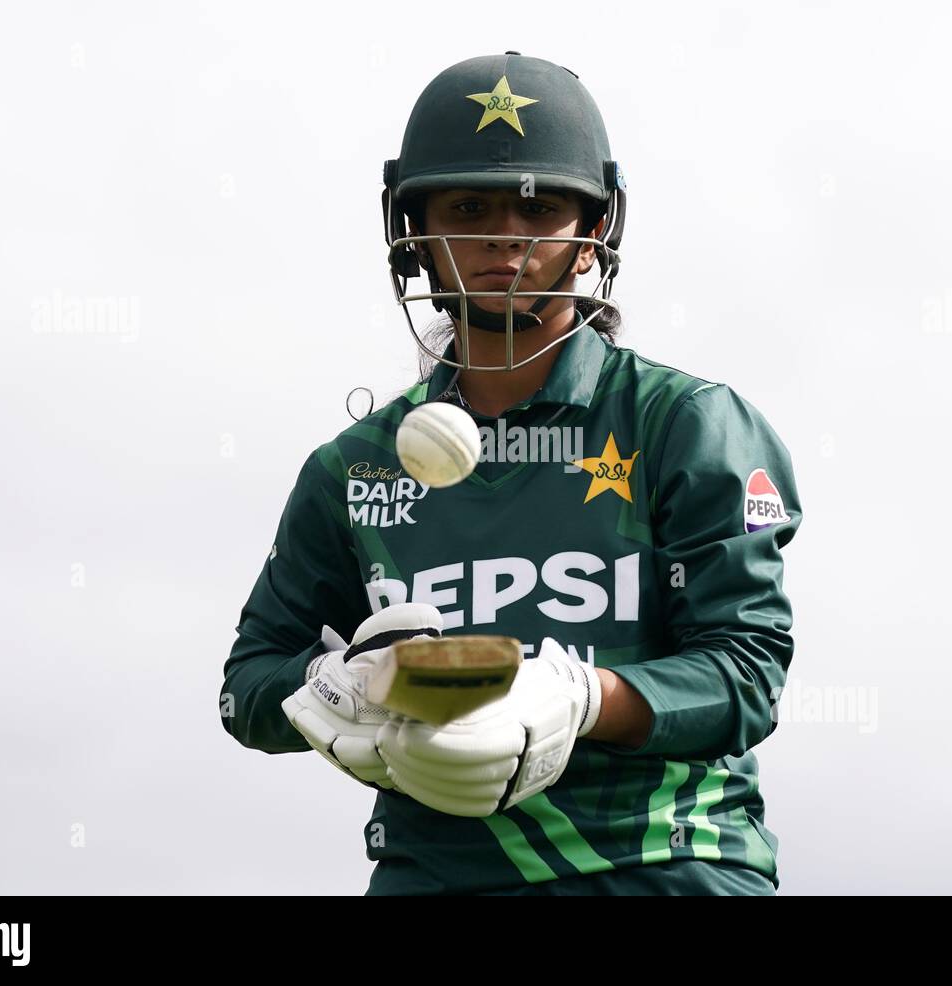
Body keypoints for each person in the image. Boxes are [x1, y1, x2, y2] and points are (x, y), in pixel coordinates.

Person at [220, 52, 803, 896]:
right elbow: (248, 685)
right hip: (435, 873)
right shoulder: (350, 469)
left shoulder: (686, 424)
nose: (504, 236)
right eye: (469, 206)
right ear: (413, 232)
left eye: (540, 205)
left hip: (664, 865)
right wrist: (340, 689)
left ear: (595, 226)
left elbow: (747, 673)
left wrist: (579, 697)